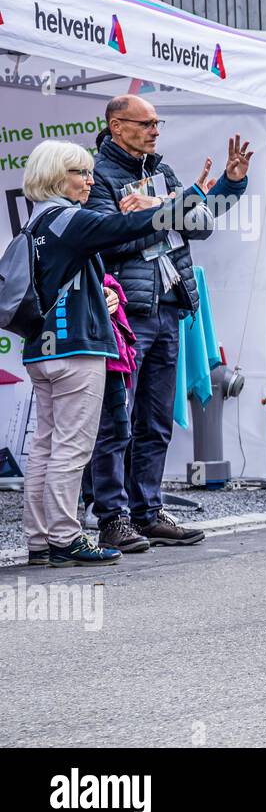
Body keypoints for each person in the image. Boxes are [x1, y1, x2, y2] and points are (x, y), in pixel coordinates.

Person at [19, 140, 207, 567]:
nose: (88, 181)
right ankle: (67, 537)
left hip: (41, 350)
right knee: (71, 448)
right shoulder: (70, 219)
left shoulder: (36, 224)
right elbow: (130, 227)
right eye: (79, 173)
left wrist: (100, 292)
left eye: (88, 172)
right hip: (77, 347)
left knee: (46, 446)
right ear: (55, 177)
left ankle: (39, 539)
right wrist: (189, 198)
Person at [84, 95, 250, 550]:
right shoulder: (98, 175)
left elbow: (199, 225)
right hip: (127, 313)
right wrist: (171, 209)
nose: (156, 130)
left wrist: (228, 188)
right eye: (147, 123)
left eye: (159, 122)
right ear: (117, 126)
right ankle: (112, 518)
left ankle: (148, 511)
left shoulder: (159, 169)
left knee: (155, 420)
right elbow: (110, 240)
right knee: (117, 419)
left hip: (169, 306)